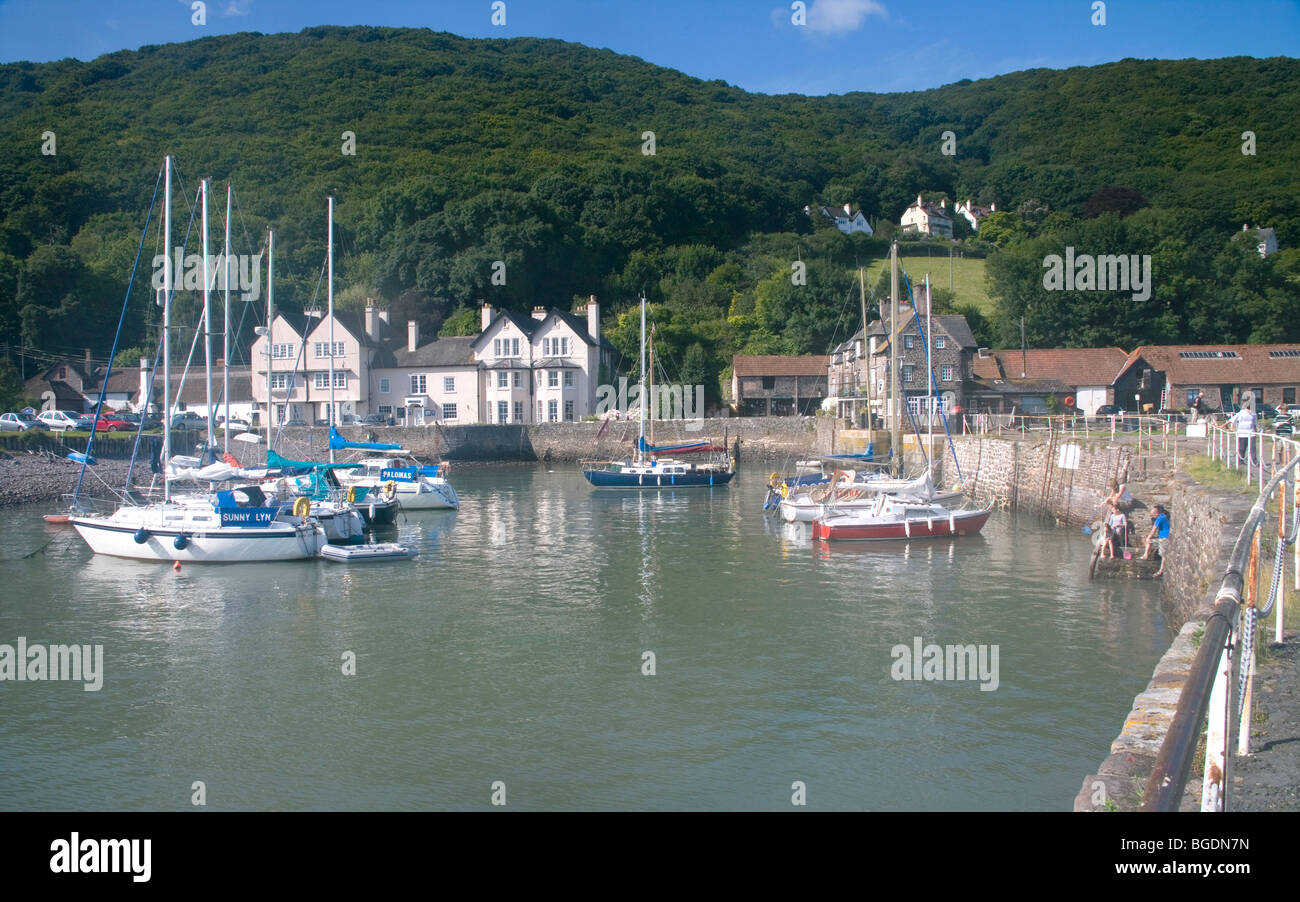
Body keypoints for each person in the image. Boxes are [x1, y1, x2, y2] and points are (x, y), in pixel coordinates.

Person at [1143, 504, 1171, 576]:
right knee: (1163, 554)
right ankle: (1146, 555)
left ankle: (1160, 570)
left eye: (1153, 514)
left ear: (1157, 513)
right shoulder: (1165, 516)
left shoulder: (1159, 518)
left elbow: (1153, 530)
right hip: (1166, 537)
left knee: (1163, 554)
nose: (1152, 516)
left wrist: (1148, 537)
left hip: (1164, 538)